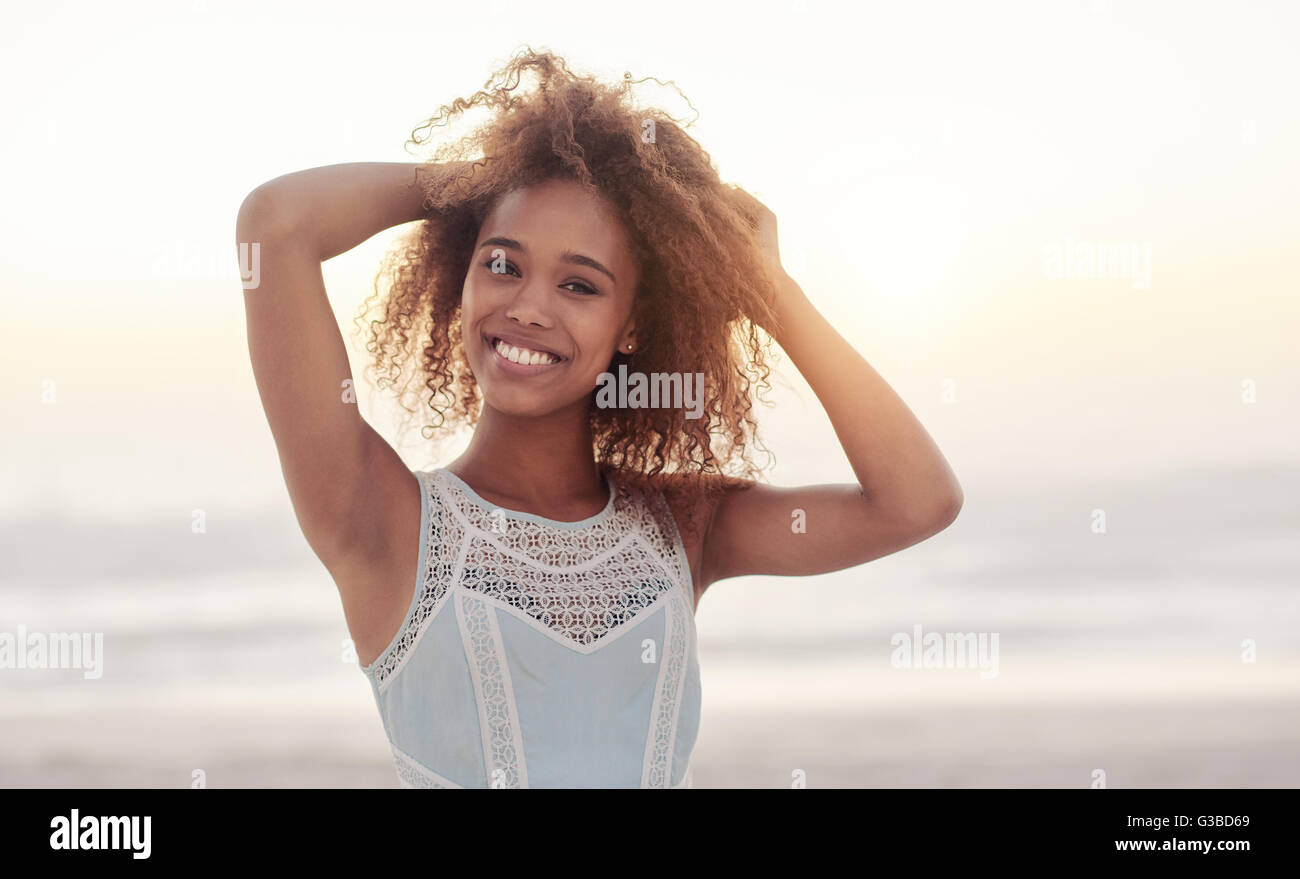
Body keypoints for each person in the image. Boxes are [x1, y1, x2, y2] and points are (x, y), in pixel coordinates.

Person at [236, 49, 962, 788]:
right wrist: (478, 184)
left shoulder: (681, 525)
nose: (528, 306)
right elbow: (275, 224)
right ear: (461, 275)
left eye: (579, 284)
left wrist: (771, 292)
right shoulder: (381, 521)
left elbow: (917, 501)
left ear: (634, 323)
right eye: (502, 263)